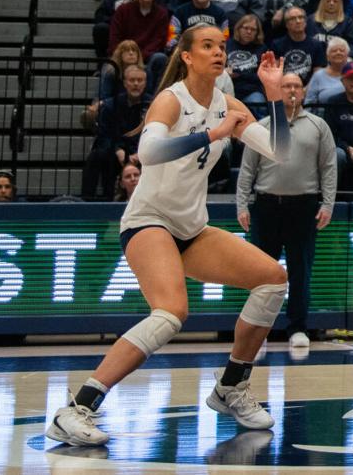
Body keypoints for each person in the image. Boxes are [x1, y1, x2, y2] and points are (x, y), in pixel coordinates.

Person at [44, 30, 292, 448]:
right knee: (171, 312)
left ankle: (231, 386)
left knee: (272, 279)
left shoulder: (227, 104)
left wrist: (273, 97)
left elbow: (280, 152)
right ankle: (76, 408)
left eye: (222, 47)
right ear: (188, 57)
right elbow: (151, 152)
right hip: (149, 221)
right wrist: (214, 135)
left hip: (191, 228)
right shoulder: (171, 99)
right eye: (208, 46)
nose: (218, 52)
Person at [236, 71, 335, 349]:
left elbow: (328, 167)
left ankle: (297, 327)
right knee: (261, 273)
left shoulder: (318, 126)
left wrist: (327, 203)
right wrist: (242, 204)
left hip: (303, 206)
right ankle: (259, 329)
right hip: (266, 205)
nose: (291, 90)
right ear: (276, 92)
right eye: (285, 86)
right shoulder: (262, 126)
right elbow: (247, 170)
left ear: (303, 92)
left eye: (296, 86)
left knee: (300, 270)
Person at [83, 65, 151, 201]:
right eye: (132, 80)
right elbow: (104, 134)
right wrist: (117, 150)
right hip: (116, 152)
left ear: (145, 83)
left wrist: (141, 153)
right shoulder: (111, 105)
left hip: (143, 152)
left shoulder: (153, 104)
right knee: (97, 155)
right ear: (125, 83)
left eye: (140, 80)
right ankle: (89, 201)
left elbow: (157, 134)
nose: (136, 84)